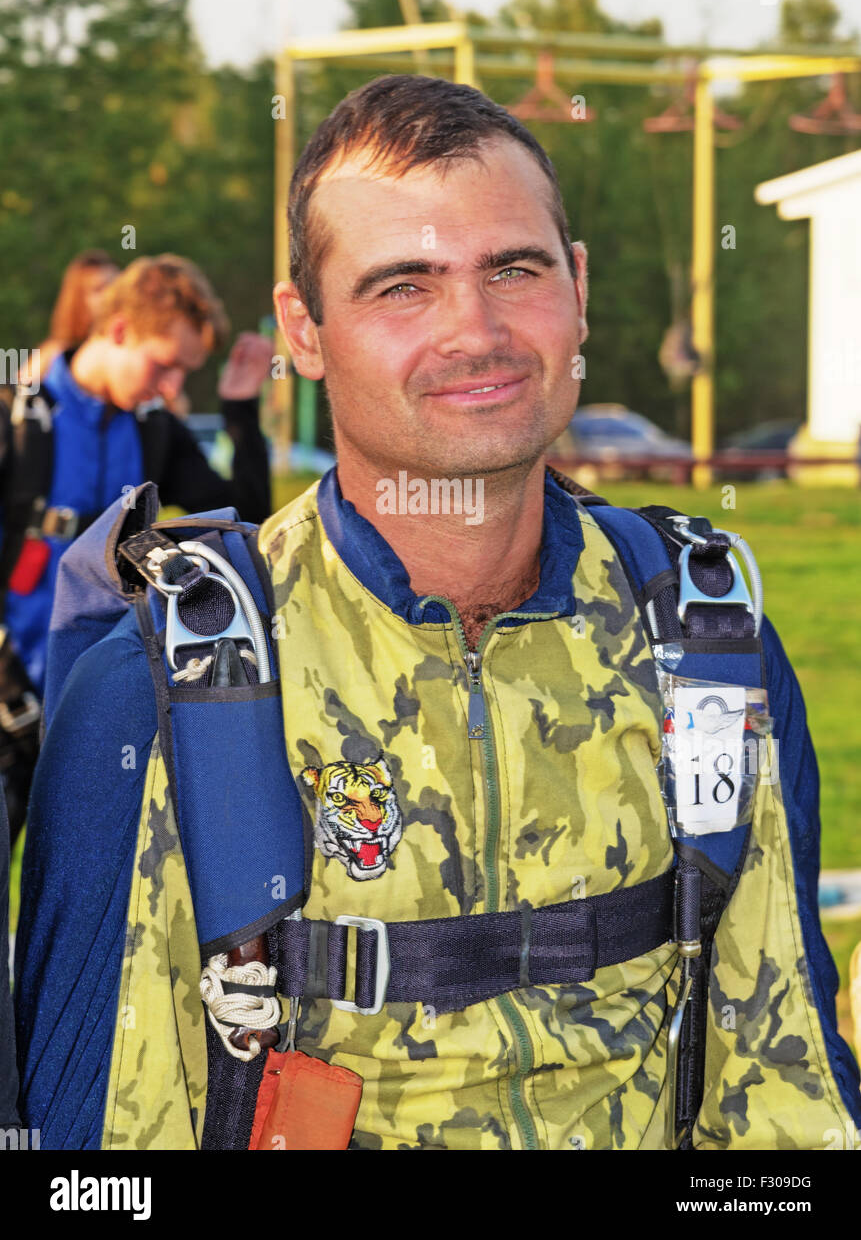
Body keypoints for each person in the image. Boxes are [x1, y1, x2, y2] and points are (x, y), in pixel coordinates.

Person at [14, 77, 861, 1150]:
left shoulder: (707, 649)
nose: (476, 329)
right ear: (305, 331)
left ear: (580, 288)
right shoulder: (156, 693)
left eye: (515, 268)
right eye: (403, 285)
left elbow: (792, 1098)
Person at [0, 253, 272, 843]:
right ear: (120, 330)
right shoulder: (17, 423)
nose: (172, 390)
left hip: (99, 715)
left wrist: (241, 411)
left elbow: (246, 521)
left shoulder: (152, 430)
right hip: (9, 702)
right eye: (165, 367)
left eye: (184, 375)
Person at [27, 249, 120, 384]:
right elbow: (18, 399)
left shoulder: (130, 352)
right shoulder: (54, 355)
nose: (111, 295)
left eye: (116, 285)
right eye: (99, 289)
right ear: (78, 301)